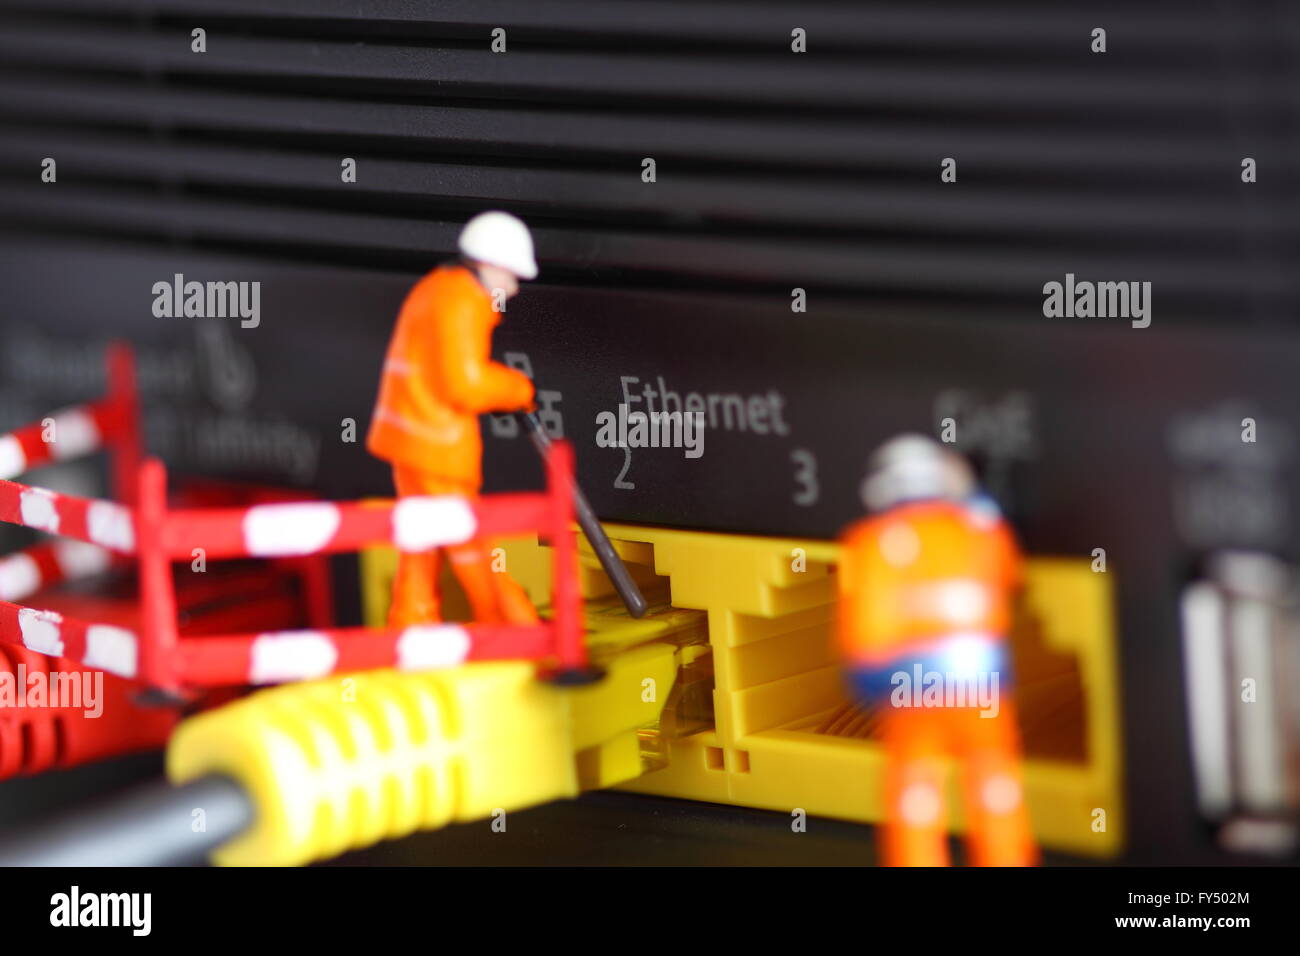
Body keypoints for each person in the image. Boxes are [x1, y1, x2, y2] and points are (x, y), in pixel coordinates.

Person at [837, 434, 1037, 866]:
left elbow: (866, 626)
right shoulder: (978, 531)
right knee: (994, 783)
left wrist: (863, 684)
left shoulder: (872, 542)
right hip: (980, 683)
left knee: (915, 790)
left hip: (910, 690)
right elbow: (1011, 577)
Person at [367, 211, 540, 627]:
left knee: (420, 545)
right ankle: (512, 631)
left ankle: (410, 629)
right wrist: (518, 388)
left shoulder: (435, 288)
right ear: (488, 264)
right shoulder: (463, 302)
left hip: (411, 441)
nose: (513, 288)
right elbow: (465, 384)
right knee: (473, 545)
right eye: (511, 275)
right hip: (437, 446)